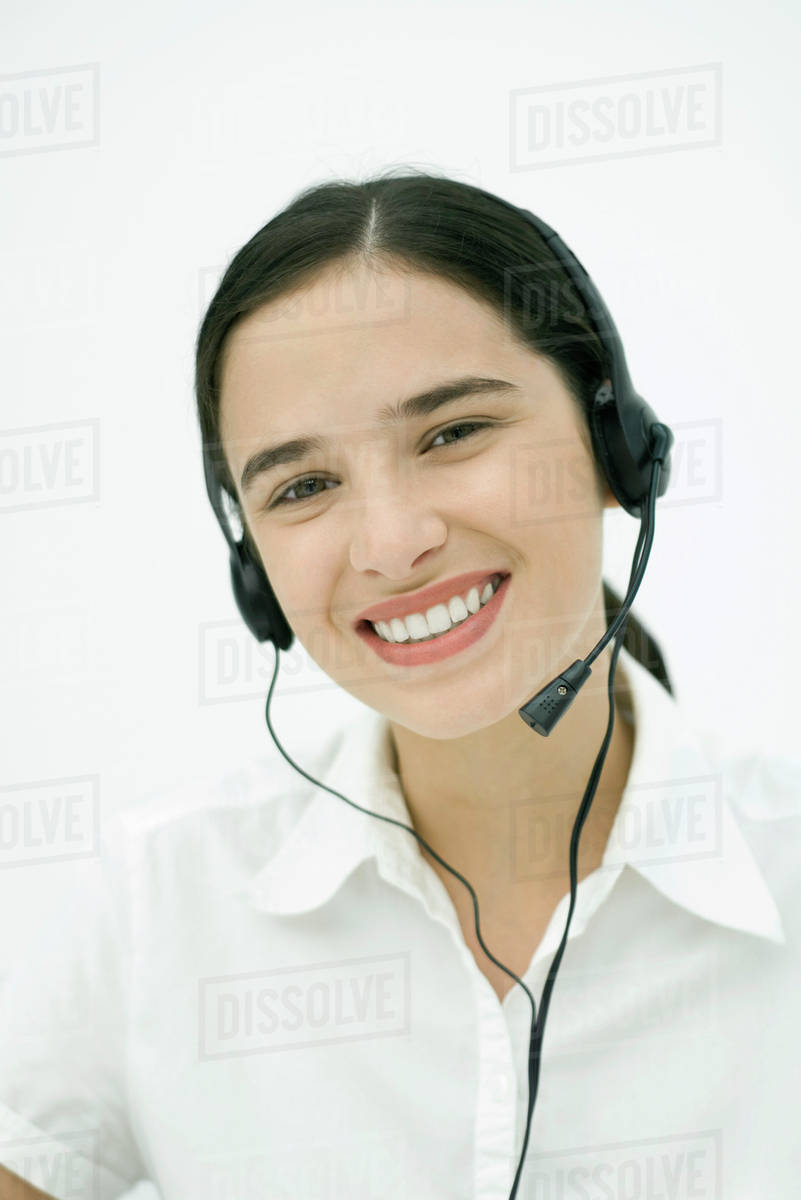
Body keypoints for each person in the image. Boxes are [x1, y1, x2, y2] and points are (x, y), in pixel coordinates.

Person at [1, 168, 799, 1199]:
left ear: (616, 447)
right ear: (256, 576)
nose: (391, 543)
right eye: (304, 486)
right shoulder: (161, 906)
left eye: (453, 432)